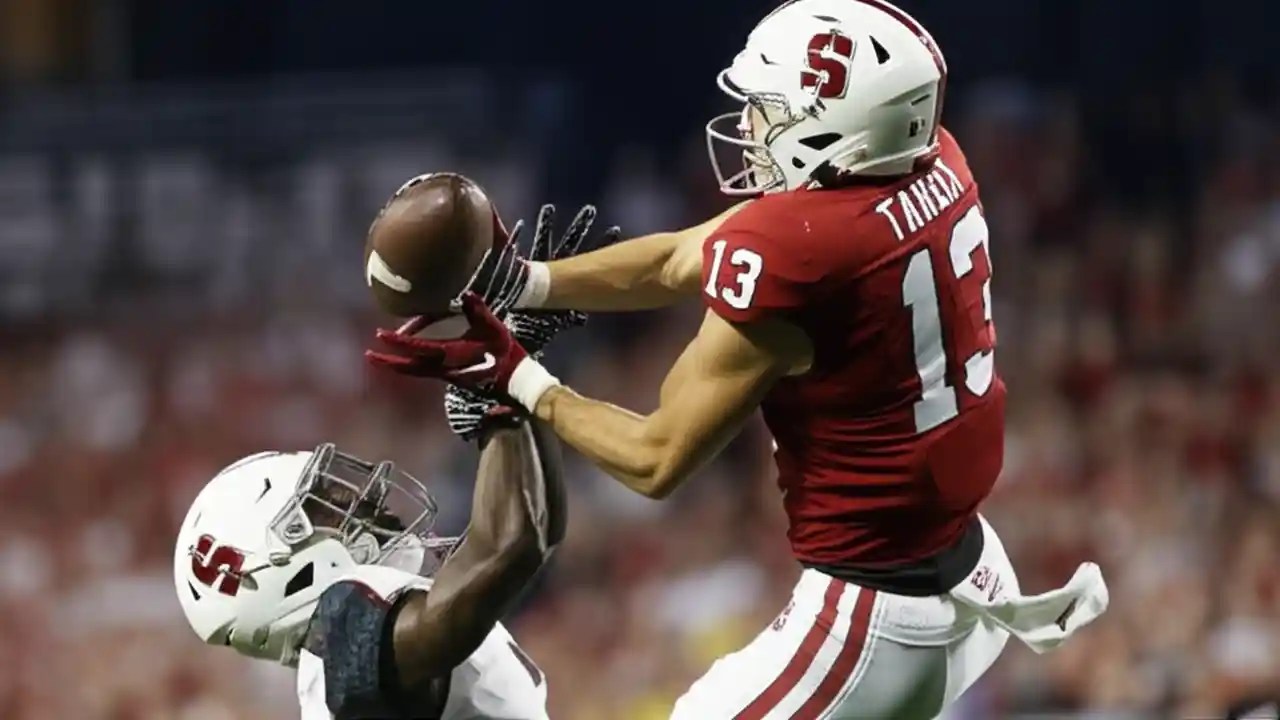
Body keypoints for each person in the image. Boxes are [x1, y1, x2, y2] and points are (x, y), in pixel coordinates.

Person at [365, 1, 1108, 717]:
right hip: (966, 570)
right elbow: (682, 258)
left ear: (837, 132)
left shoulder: (807, 253)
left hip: (879, 622)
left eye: (771, 110)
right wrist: (530, 281)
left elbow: (656, 459)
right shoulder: (931, 162)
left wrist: (519, 379)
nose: (751, 124)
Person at [174, 207, 595, 719]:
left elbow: (539, 529)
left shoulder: (345, 653)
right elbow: (510, 545)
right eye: (322, 505)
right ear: (281, 565)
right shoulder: (345, 636)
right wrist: (498, 391)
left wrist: (519, 374)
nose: (359, 499)